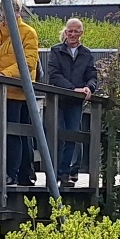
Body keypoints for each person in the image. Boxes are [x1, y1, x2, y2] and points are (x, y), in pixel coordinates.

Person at [0, 3, 42, 185]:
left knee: (12, 133)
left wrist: (4, 75)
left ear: (18, 11)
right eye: (3, 9)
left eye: (10, 9)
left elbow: (28, 62)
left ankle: (11, 173)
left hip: (14, 92)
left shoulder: (28, 33)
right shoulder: (0, 33)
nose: (5, 13)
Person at [41, 17, 100, 182]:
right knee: (57, 135)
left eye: (76, 31)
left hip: (75, 102)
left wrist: (89, 87)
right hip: (58, 100)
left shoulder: (86, 53)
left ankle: (65, 172)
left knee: (72, 136)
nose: (73, 34)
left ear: (81, 33)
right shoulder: (56, 51)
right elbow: (54, 75)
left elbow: (92, 75)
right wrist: (73, 89)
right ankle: (55, 172)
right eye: (70, 31)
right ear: (66, 32)